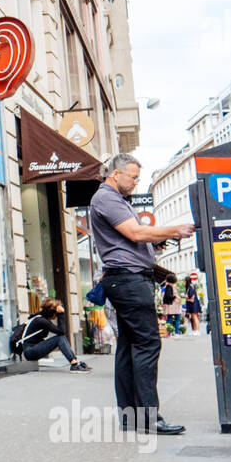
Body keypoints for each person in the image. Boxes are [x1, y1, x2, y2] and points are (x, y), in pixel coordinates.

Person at [88, 153, 195, 435]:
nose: (136, 183)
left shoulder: (118, 201)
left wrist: (155, 243)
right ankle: (149, 417)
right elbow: (135, 234)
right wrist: (175, 229)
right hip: (128, 281)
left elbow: (130, 238)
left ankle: (131, 416)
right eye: (133, 177)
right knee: (148, 344)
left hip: (126, 279)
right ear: (115, 174)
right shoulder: (107, 198)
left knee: (128, 347)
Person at [16, 299, 90, 371]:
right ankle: (74, 364)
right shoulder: (41, 321)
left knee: (61, 337)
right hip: (30, 352)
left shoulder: (41, 317)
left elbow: (60, 332)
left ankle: (75, 361)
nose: (56, 316)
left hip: (33, 349)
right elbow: (61, 331)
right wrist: (61, 314)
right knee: (60, 338)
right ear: (53, 313)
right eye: (56, 314)